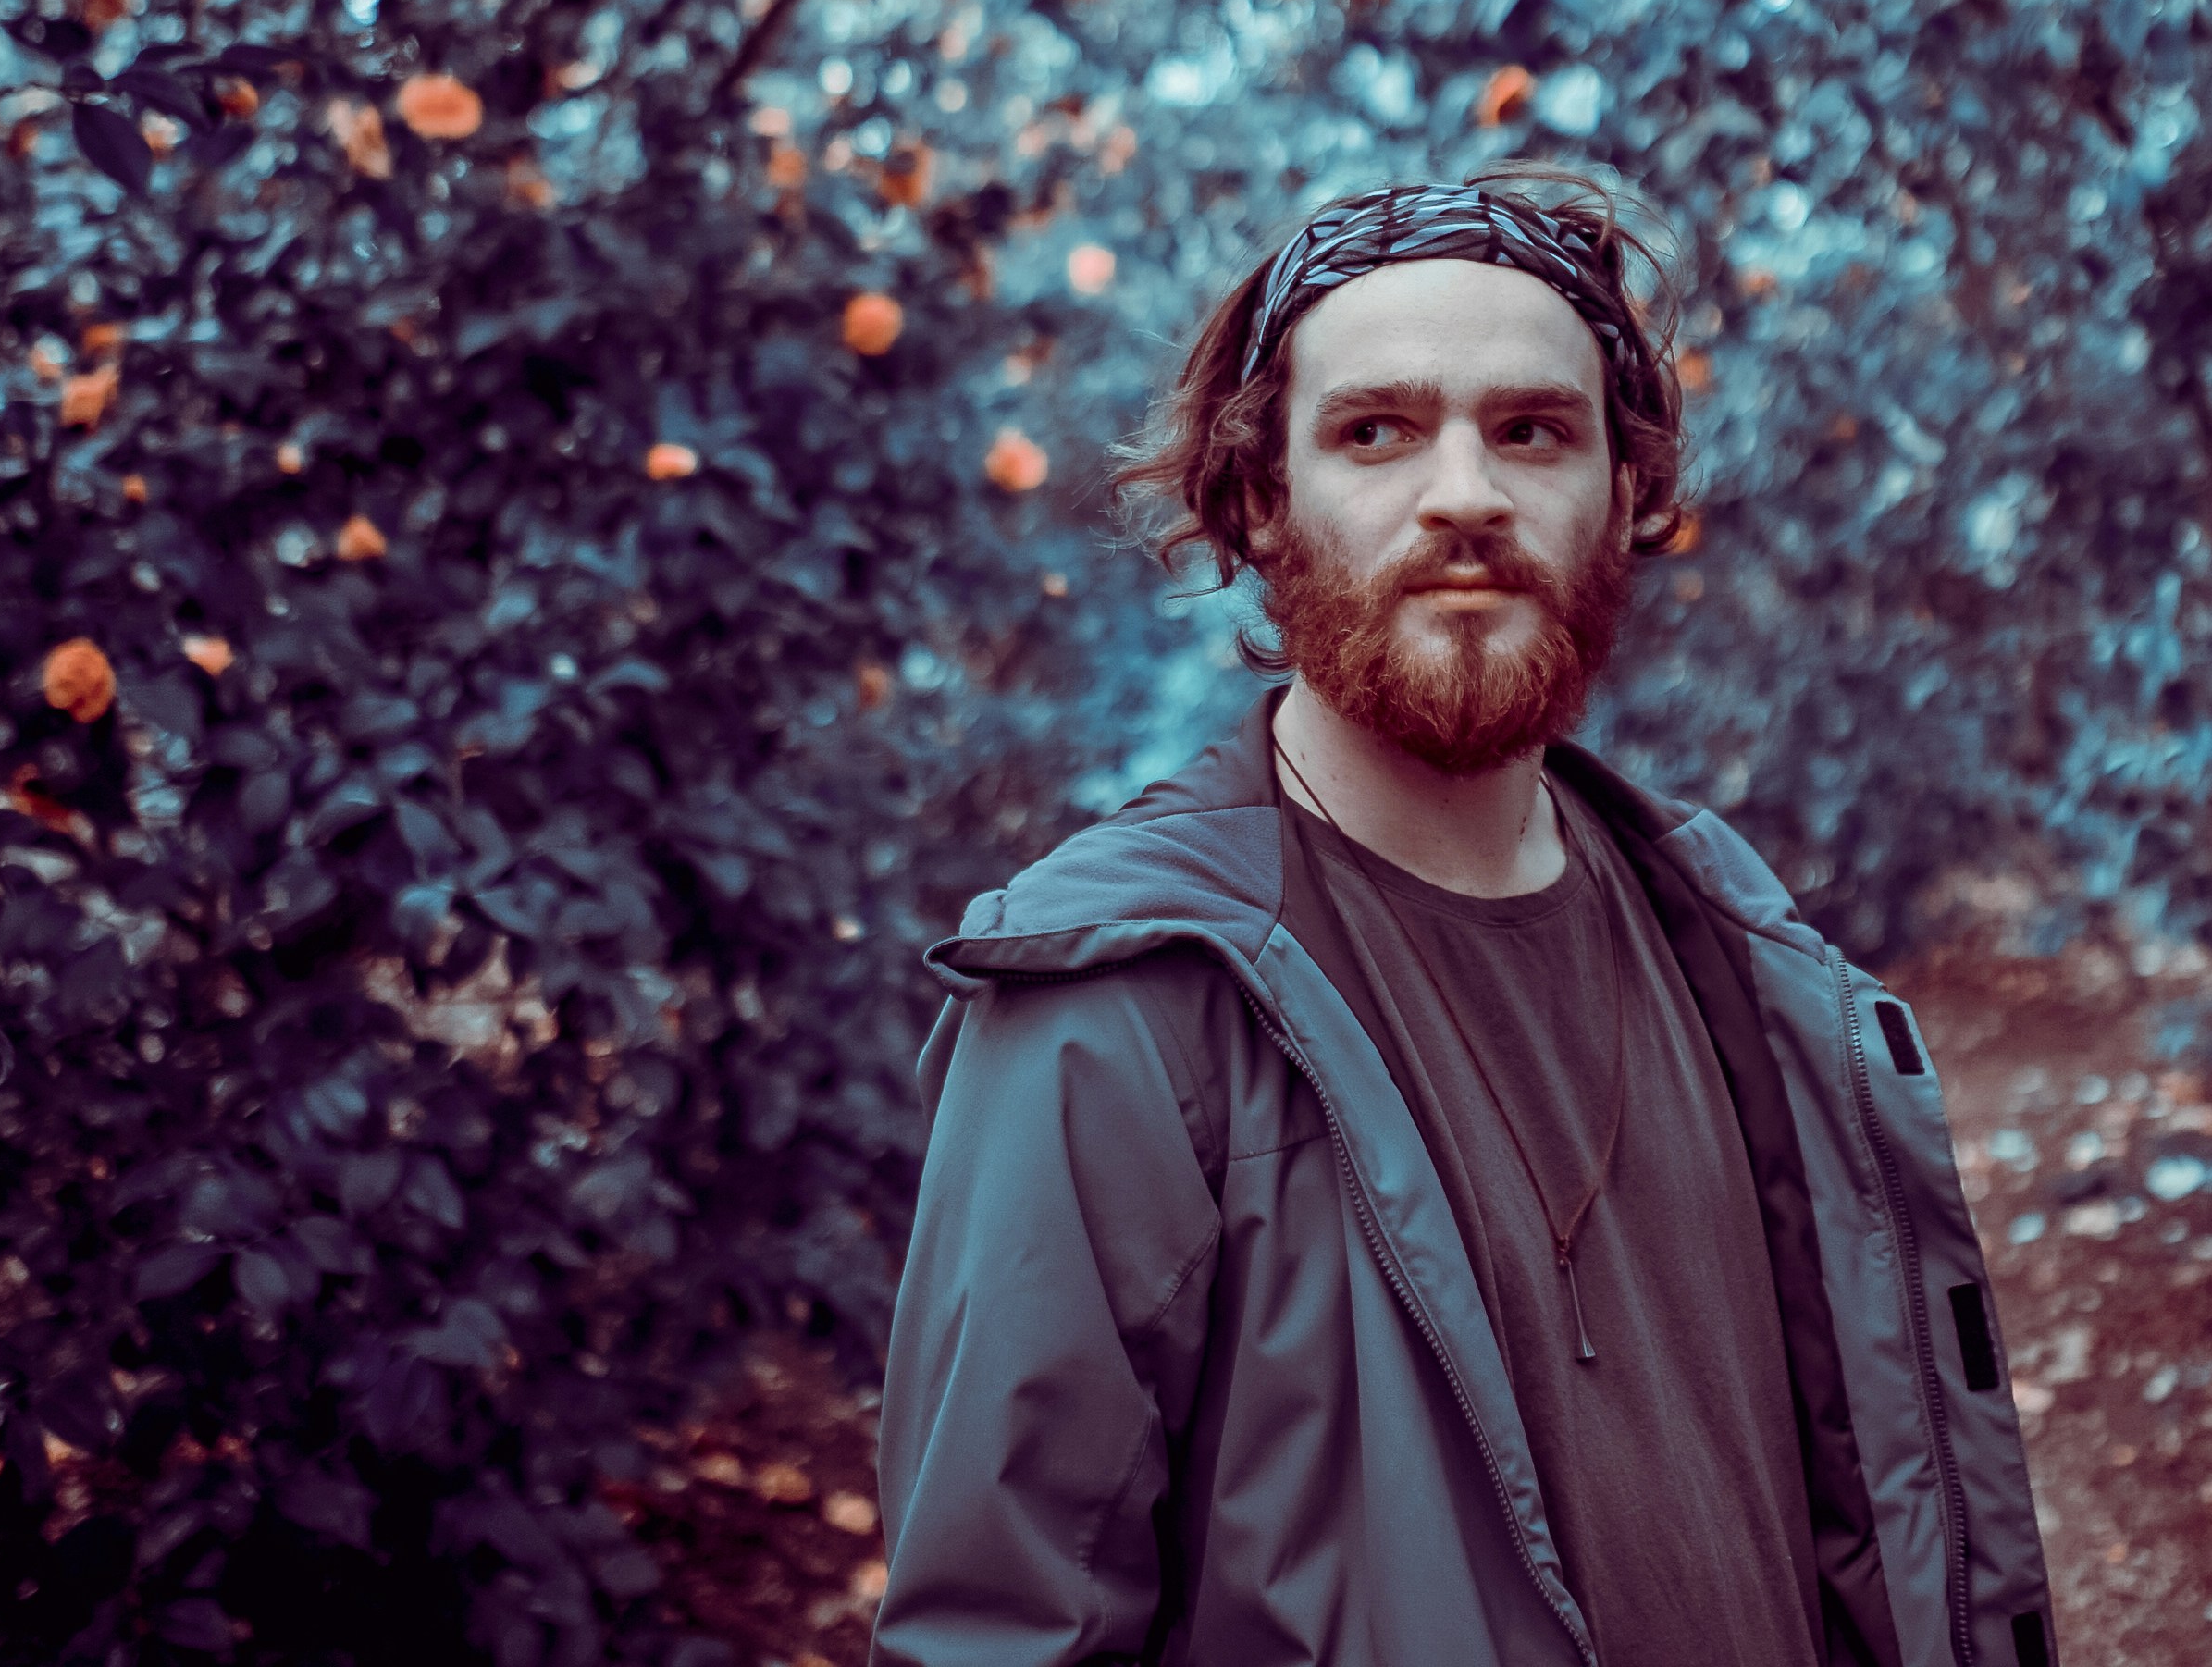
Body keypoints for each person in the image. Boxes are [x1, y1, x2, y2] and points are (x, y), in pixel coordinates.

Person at [873, 171, 2057, 1667]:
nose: (1465, 497)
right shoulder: (1118, 1010)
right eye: (1375, 432)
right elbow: (1000, 1631)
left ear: (1624, 495)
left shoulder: (1744, 962)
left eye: (1532, 431)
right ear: (1261, 499)